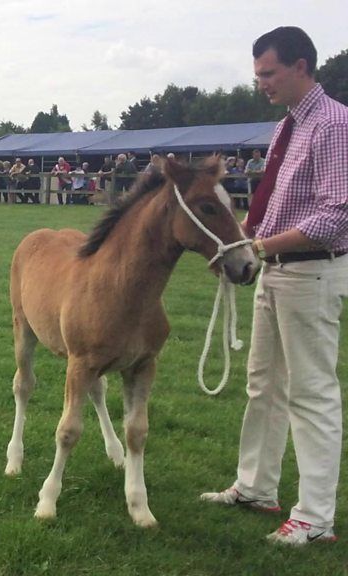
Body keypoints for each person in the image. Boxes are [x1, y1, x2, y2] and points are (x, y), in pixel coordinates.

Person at [200, 26, 348, 546]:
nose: (261, 82)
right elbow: (282, 206)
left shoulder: (332, 125)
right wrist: (246, 241)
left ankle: (314, 518)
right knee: (263, 386)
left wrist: (256, 249)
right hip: (277, 270)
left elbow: (334, 216)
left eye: (268, 73)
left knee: (312, 394)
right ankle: (256, 487)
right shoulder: (289, 126)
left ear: (301, 67)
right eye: (258, 73)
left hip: (310, 271)